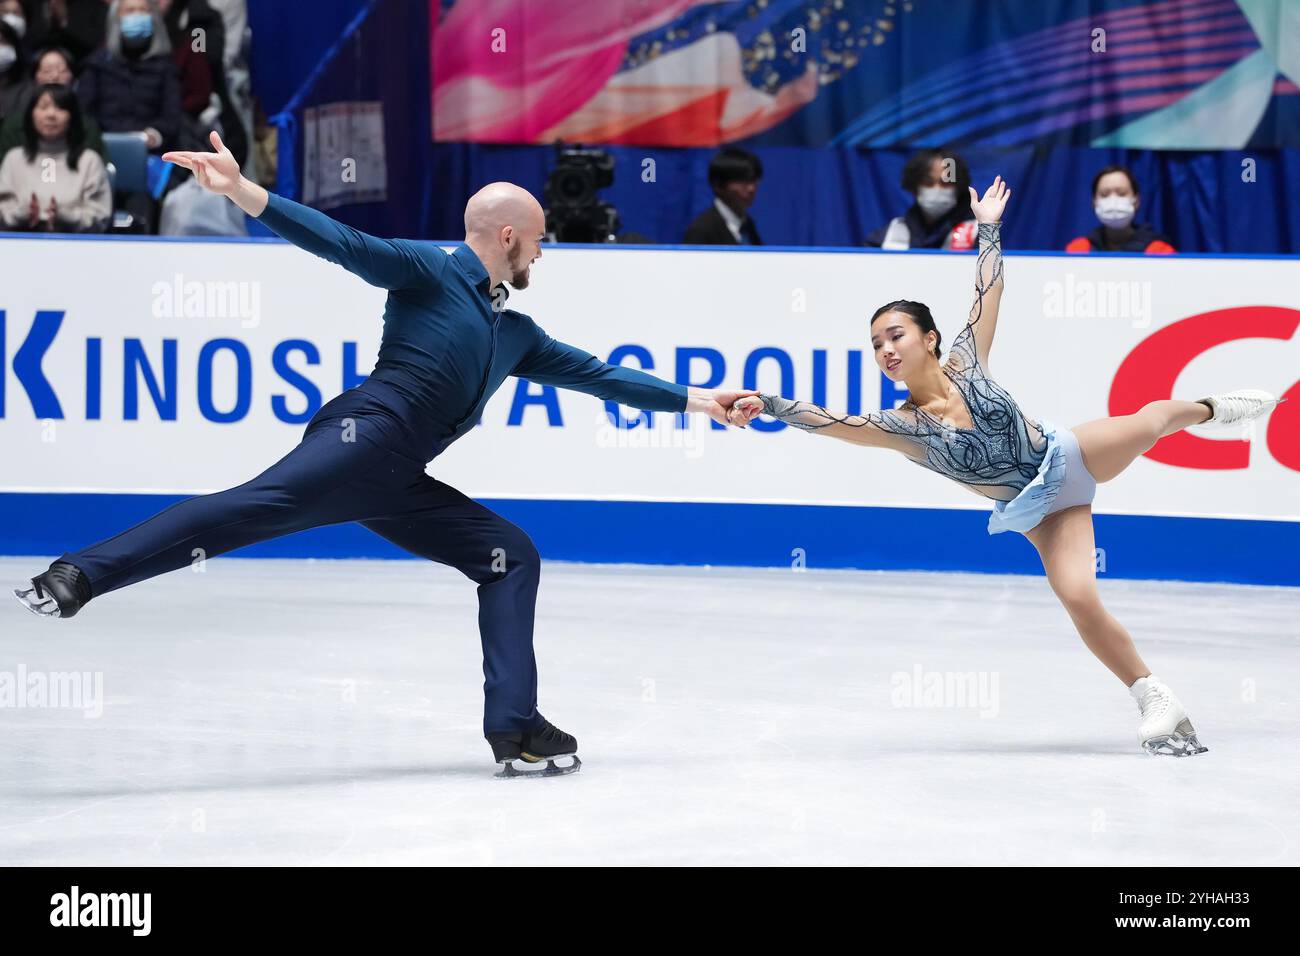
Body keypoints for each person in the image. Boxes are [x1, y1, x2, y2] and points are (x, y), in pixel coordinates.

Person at [13, 130, 759, 778]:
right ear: (507, 237)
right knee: (243, 512)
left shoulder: (518, 334)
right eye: (538, 239)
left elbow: (601, 376)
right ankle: (81, 573)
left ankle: (515, 726)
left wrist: (699, 401)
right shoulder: (430, 272)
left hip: (396, 477)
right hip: (361, 438)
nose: (544, 250)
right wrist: (246, 193)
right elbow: (342, 244)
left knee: (508, 553)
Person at [729, 176, 1279, 757]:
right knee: (1079, 596)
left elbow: (988, 291)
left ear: (930, 338)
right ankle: (1155, 698)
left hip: (1067, 453)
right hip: (1040, 509)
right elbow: (830, 421)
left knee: (1150, 421)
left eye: (896, 335)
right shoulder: (902, 428)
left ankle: (1214, 408)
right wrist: (768, 404)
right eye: (876, 344)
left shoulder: (967, 358)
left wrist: (988, 225)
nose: (886, 350)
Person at [0, 81, 109, 230]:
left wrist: (65, 216)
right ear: (31, 114)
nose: (51, 115)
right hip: (19, 242)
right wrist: (23, 213)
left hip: (76, 244)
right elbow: (3, 211)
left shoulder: (89, 160)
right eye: (43, 107)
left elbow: (100, 217)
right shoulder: (14, 159)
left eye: (60, 108)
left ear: (72, 116)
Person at [0, 45, 109, 161]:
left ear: (73, 77)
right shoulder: (13, 126)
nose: (55, 76)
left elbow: (97, 168)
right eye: (47, 71)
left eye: (62, 71)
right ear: (34, 77)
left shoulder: (86, 126)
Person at [865, 147, 978, 251]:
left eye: (946, 183)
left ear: (959, 186)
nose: (937, 189)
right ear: (914, 188)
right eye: (928, 183)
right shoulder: (889, 234)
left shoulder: (980, 233)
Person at [1066, 165, 1175, 254]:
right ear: (1094, 202)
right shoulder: (1079, 250)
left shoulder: (1160, 251)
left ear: (1136, 201)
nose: (1113, 200)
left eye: (1122, 193)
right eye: (1104, 194)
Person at [683, 147, 763, 245]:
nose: (751, 188)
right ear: (718, 185)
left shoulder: (748, 226)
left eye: (754, 180)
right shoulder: (701, 231)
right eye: (742, 181)